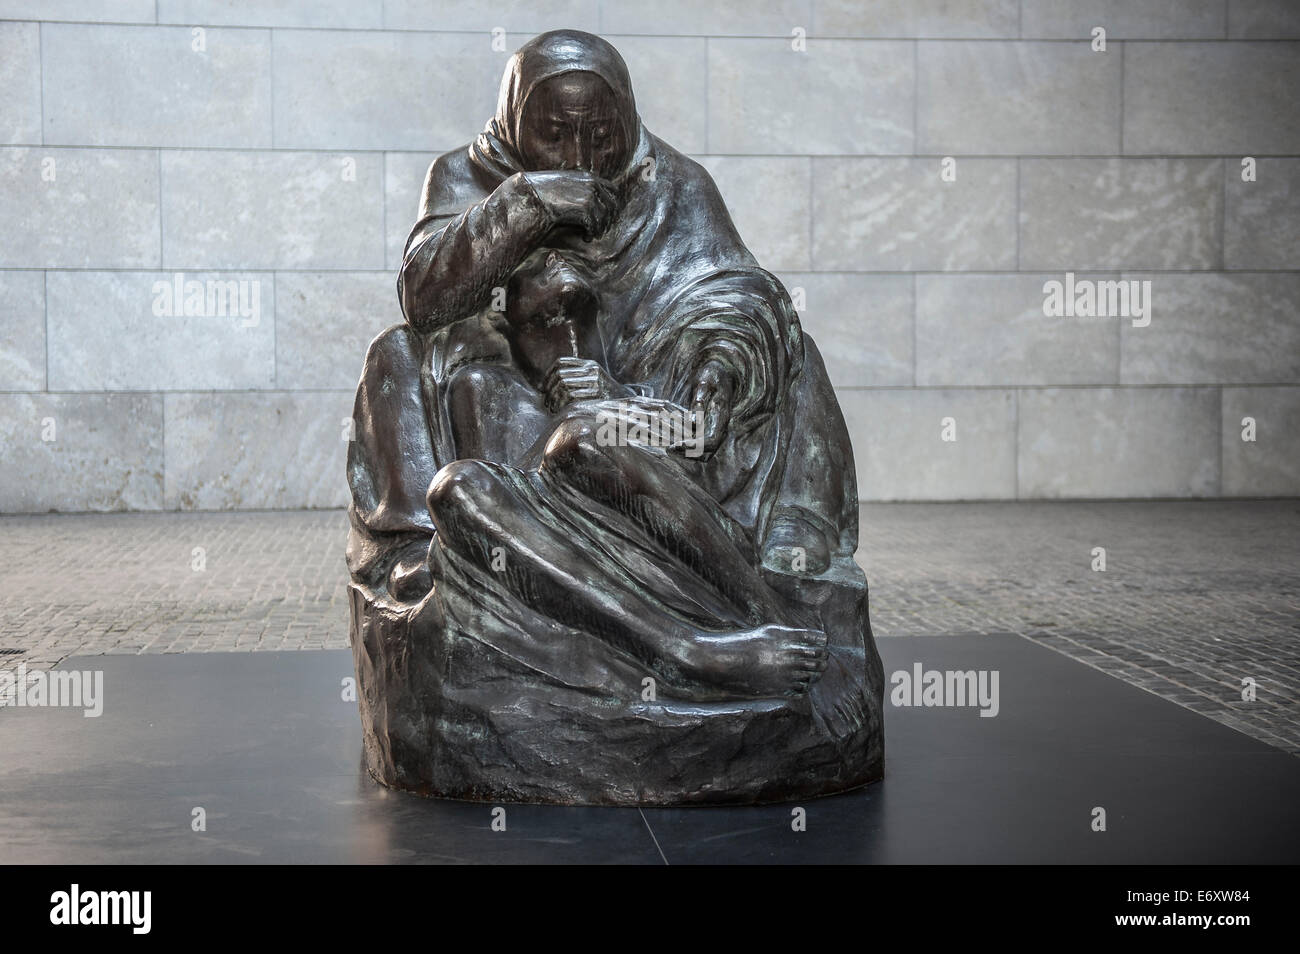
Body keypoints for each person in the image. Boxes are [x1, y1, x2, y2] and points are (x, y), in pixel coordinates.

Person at [347, 30, 863, 706]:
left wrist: (646, 391)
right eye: (556, 134)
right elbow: (425, 295)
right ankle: (420, 549)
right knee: (396, 361)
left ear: (628, 121)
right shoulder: (466, 176)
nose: (582, 157)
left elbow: (730, 297)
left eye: (602, 135)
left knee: (604, 436)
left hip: (628, 423)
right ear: (514, 121)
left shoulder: (673, 186)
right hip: (500, 425)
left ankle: (742, 616)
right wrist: (528, 202)